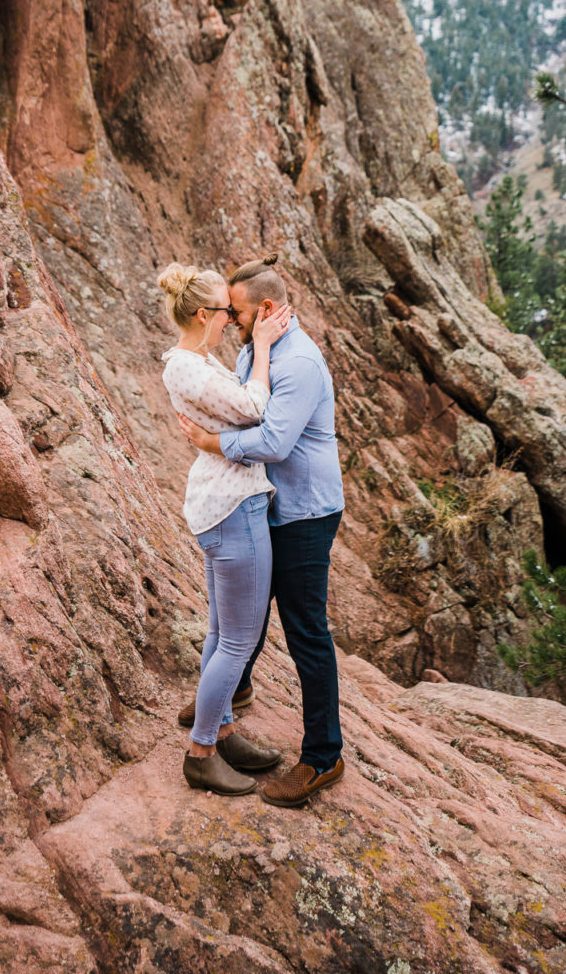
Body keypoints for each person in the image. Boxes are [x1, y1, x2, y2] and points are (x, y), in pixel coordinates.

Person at [177, 253, 345, 809]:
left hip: (304, 512)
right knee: (244, 609)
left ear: (266, 308)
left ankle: (324, 756)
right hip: (267, 503)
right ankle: (224, 699)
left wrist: (212, 444)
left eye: (239, 314)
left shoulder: (296, 363)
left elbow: (272, 442)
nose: (233, 323)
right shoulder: (260, 347)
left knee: (305, 632)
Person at [158, 262, 292, 796]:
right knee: (238, 641)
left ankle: (222, 731)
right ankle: (201, 754)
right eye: (225, 311)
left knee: (221, 634)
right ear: (201, 314)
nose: (232, 318)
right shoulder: (188, 368)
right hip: (233, 508)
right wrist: (261, 348)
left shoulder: (197, 361)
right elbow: (256, 409)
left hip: (227, 504)